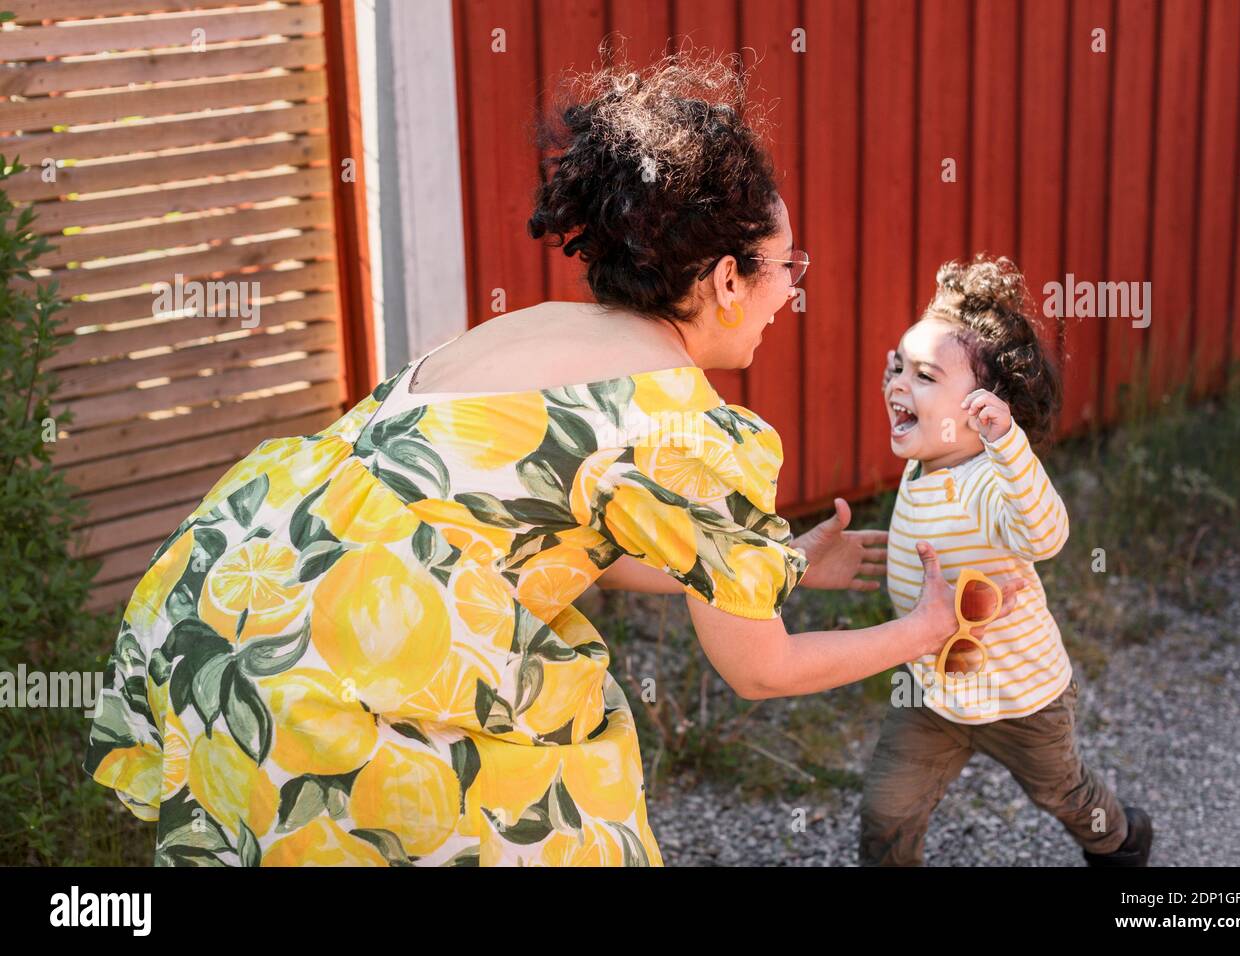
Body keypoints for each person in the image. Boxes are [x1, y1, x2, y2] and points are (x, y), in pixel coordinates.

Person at [83, 52, 1025, 866]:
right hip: (339, 683)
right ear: (728, 279)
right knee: (562, 806)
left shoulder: (532, 331)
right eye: (787, 267)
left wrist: (772, 566)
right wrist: (928, 626)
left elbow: (553, 540)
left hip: (230, 612)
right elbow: (761, 673)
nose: (791, 293)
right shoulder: (683, 422)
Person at [860, 253, 1153, 866]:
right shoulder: (922, 465)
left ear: (984, 410)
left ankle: (1121, 841)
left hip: (1022, 698)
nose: (897, 385)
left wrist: (1008, 447)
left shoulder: (990, 483)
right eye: (897, 367)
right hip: (933, 693)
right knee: (889, 806)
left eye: (923, 376)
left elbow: (1045, 534)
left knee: (1062, 792)